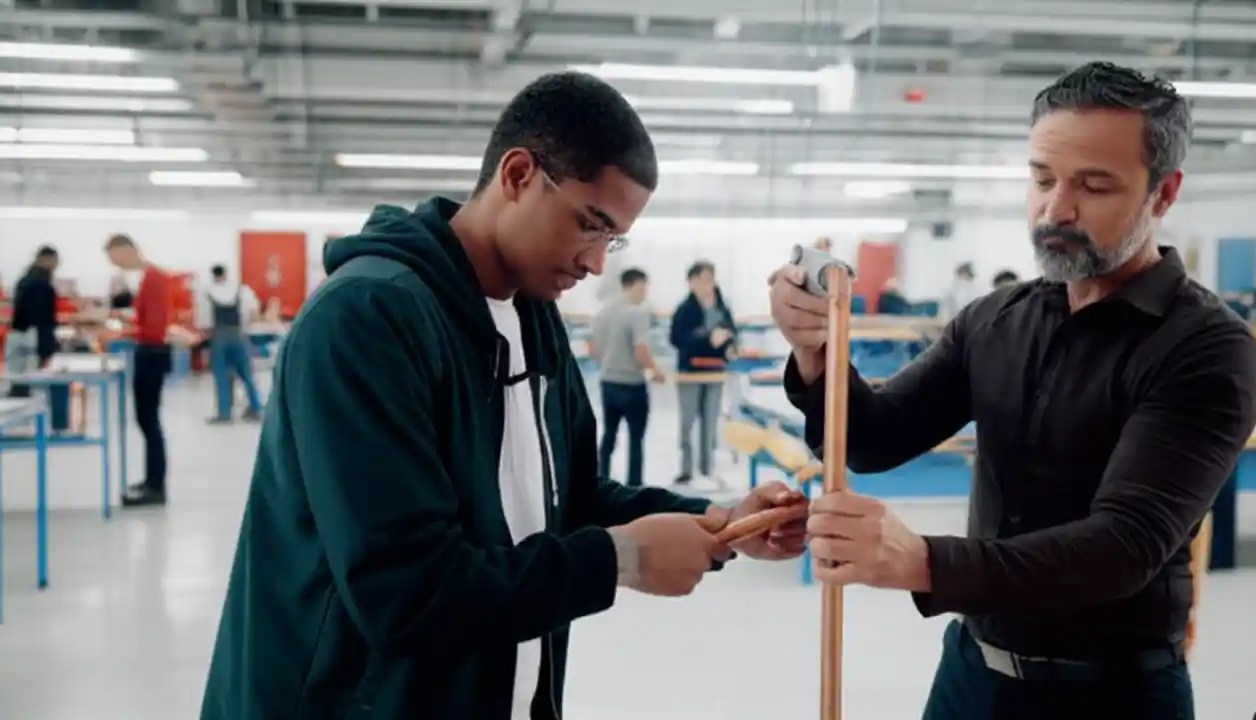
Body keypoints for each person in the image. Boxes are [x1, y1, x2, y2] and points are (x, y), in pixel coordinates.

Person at [201, 72, 807, 720]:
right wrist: (622, 561)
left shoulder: (533, 316)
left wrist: (722, 520)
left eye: (613, 239)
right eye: (590, 225)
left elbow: (569, 499)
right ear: (518, 176)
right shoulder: (366, 320)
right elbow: (405, 592)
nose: (597, 263)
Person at [770, 61, 1256, 719]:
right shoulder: (994, 320)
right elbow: (871, 439)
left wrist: (923, 562)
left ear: (1163, 194)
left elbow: (1122, 547)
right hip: (972, 677)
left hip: (1112, 696)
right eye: (1042, 179)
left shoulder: (1206, 348)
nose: (1056, 210)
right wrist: (815, 350)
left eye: (1093, 185)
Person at [105, 234, 172, 507]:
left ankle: (156, 486)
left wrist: (121, 332)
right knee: (145, 420)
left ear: (126, 250)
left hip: (152, 354)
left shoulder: (154, 279)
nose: (115, 264)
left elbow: (154, 330)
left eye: (114, 257)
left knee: (149, 420)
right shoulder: (148, 278)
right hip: (148, 352)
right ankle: (151, 480)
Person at [591, 268, 663, 488]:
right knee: (635, 439)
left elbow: (594, 349)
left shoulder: (604, 313)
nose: (646, 293)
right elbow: (641, 350)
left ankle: (600, 481)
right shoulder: (637, 313)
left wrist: (608, 366)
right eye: (645, 287)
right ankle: (634, 485)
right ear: (636, 285)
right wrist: (655, 371)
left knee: (609, 435)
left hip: (608, 383)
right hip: (632, 385)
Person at [669, 260, 736, 486]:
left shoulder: (721, 307)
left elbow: (732, 332)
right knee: (688, 422)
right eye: (702, 279)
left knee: (710, 422)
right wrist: (708, 339)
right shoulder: (684, 309)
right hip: (689, 373)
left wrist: (729, 343)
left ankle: (707, 469)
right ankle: (686, 470)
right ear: (691, 282)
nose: (708, 285)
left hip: (715, 372)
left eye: (710, 279)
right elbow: (677, 339)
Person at [7, 247, 69, 431]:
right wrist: (49, 346)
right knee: (57, 381)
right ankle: (59, 425)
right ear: (47, 260)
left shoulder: (24, 280)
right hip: (35, 339)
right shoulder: (41, 284)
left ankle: (14, 426)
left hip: (20, 337)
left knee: (19, 383)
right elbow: (43, 318)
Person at [197, 264, 264, 423]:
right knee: (246, 374)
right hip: (239, 334)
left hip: (219, 336)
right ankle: (256, 408)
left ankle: (224, 414)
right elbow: (254, 311)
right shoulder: (241, 290)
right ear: (226, 274)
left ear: (213, 275)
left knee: (221, 375)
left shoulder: (206, 292)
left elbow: (204, 322)